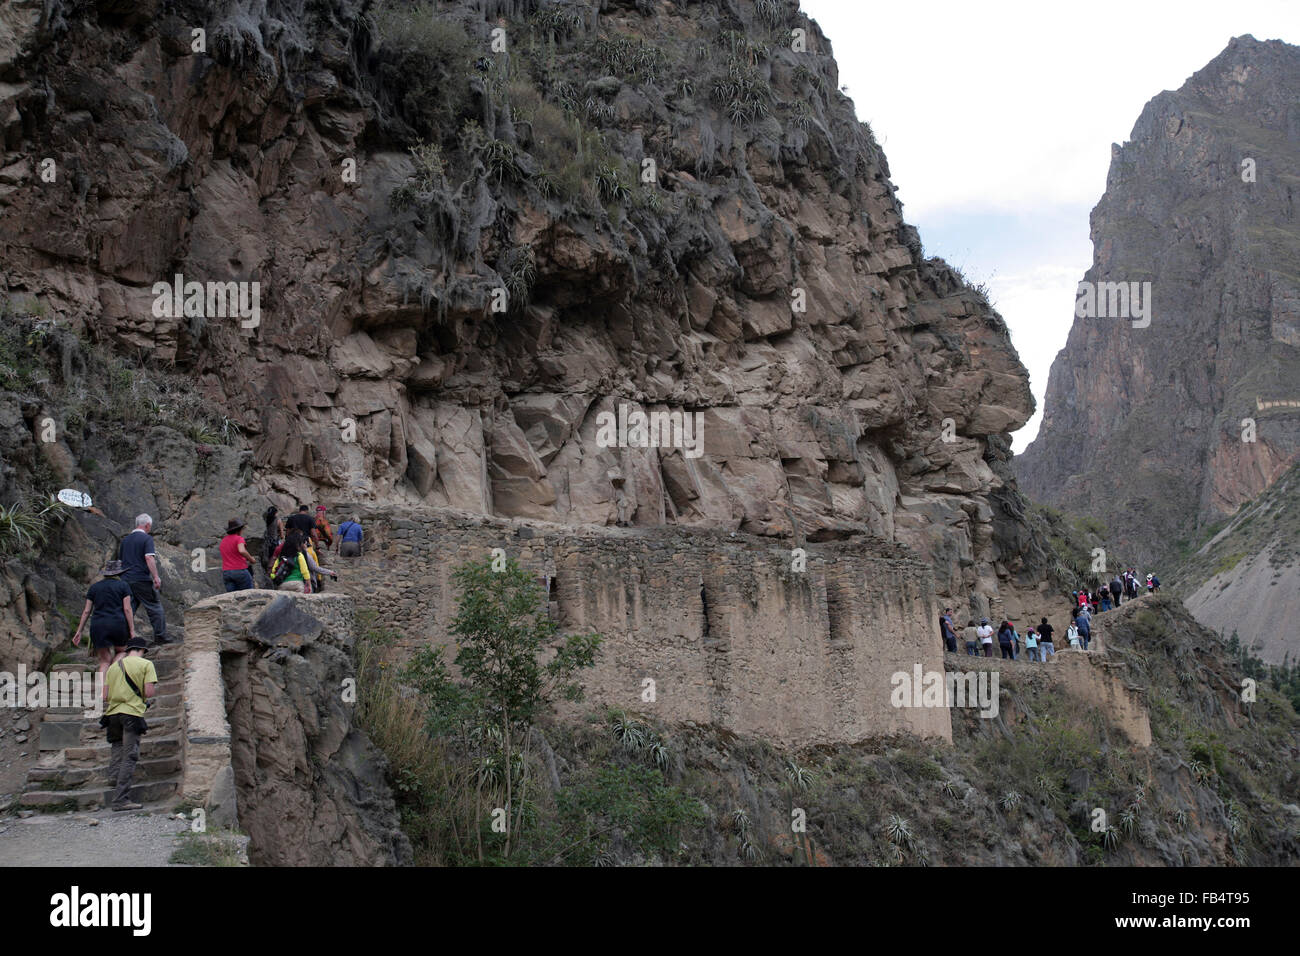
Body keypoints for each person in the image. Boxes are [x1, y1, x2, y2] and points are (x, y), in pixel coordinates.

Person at [102, 636, 157, 811]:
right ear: (143, 651)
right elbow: (149, 692)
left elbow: (105, 696)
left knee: (117, 749)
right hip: (131, 713)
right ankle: (120, 799)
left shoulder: (113, 667)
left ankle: (113, 779)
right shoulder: (146, 665)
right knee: (130, 756)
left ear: (127, 650)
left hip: (112, 714)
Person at [71, 560, 135, 677]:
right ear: (119, 573)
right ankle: (113, 675)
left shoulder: (94, 587)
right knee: (122, 651)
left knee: (104, 661)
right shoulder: (123, 586)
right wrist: (131, 630)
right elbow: (127, 609)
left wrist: (79, 631)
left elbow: (86, 611)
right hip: (117, 624)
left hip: (98, 625)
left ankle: (101, 693)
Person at [119, 514, 172, 645]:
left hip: (125, 579)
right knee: (154, 607)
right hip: (141, 578)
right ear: (147, 525)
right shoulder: (146, 539)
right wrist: (156, 577)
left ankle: (124, 638)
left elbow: (120, 561)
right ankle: (160, 636)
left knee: (128, 608)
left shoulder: (125, 541)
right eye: (150, 526)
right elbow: (149, 558)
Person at [271, 530, 336, 593]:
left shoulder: (281, 556)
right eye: (305, 543)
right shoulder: (300, 555)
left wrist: (274, 579)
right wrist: (308, 584)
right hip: (297, 584)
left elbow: (274, 570)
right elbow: (305, 571)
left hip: (283, 584)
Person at [219, 518, 256, 592]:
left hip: (226, 572)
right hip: (239, 570)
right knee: (248, 593)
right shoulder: (239, 539)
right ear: (238, 530)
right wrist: (251, 559)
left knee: (232, 596)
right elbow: (241, 550)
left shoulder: (223, 541)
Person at [260, 506, 284, 578]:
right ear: (276, 513)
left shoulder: (265, 519)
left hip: (265, 542)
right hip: (274, 543)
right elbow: (282, 535)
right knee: (273, 560)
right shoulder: (278, 520)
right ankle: (270, 575)